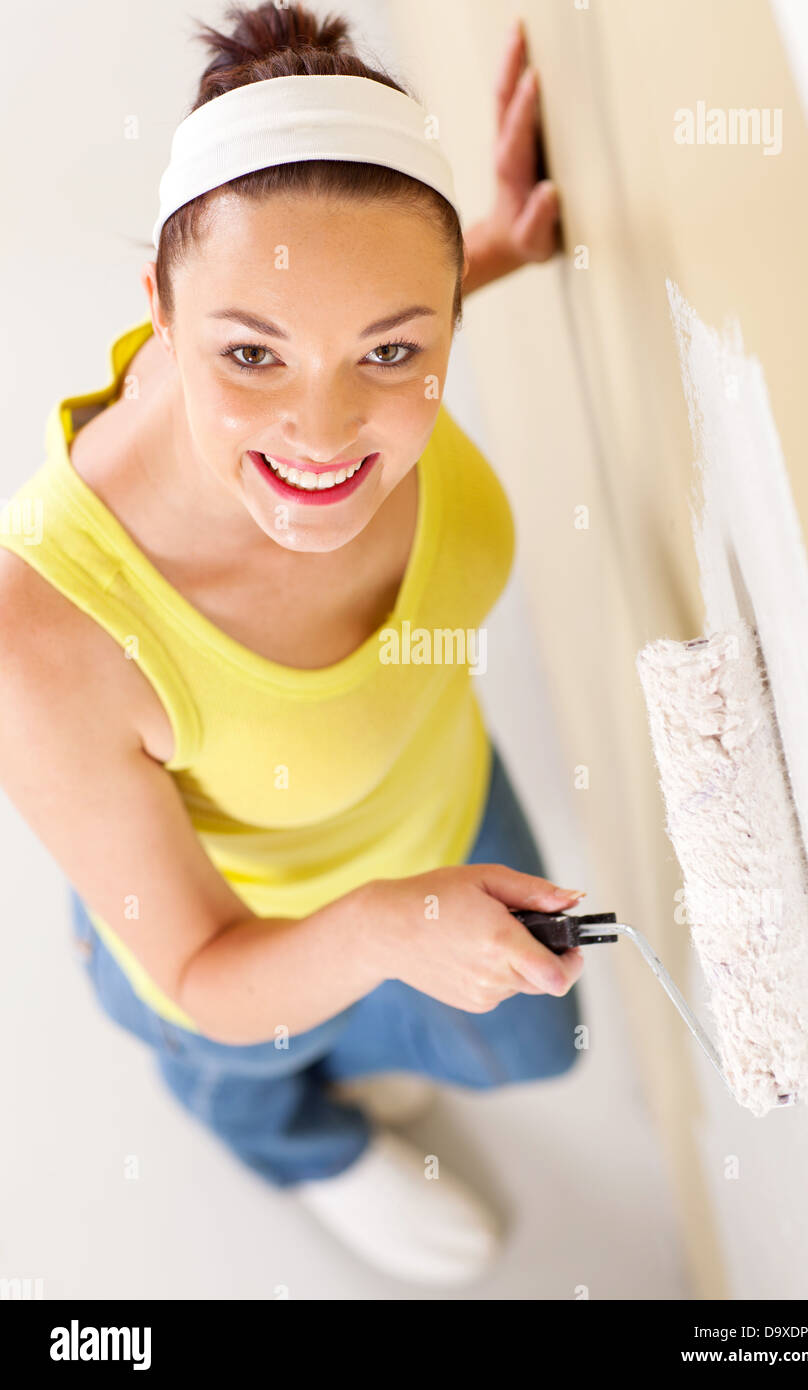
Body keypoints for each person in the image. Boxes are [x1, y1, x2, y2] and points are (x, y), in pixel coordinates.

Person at [0, 2, 586, 1288]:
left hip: (433, 799)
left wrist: (491, 243)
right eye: (249, 354)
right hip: (227, 941)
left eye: (392, 344)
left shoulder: (357, 351)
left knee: (543, 1043)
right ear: (157, 309)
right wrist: (380, 929)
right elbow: (204, 971)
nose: (324, 438)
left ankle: (347, 1047)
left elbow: (337, 310)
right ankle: (276, 1138)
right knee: (252, 1057)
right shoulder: (41, 630)